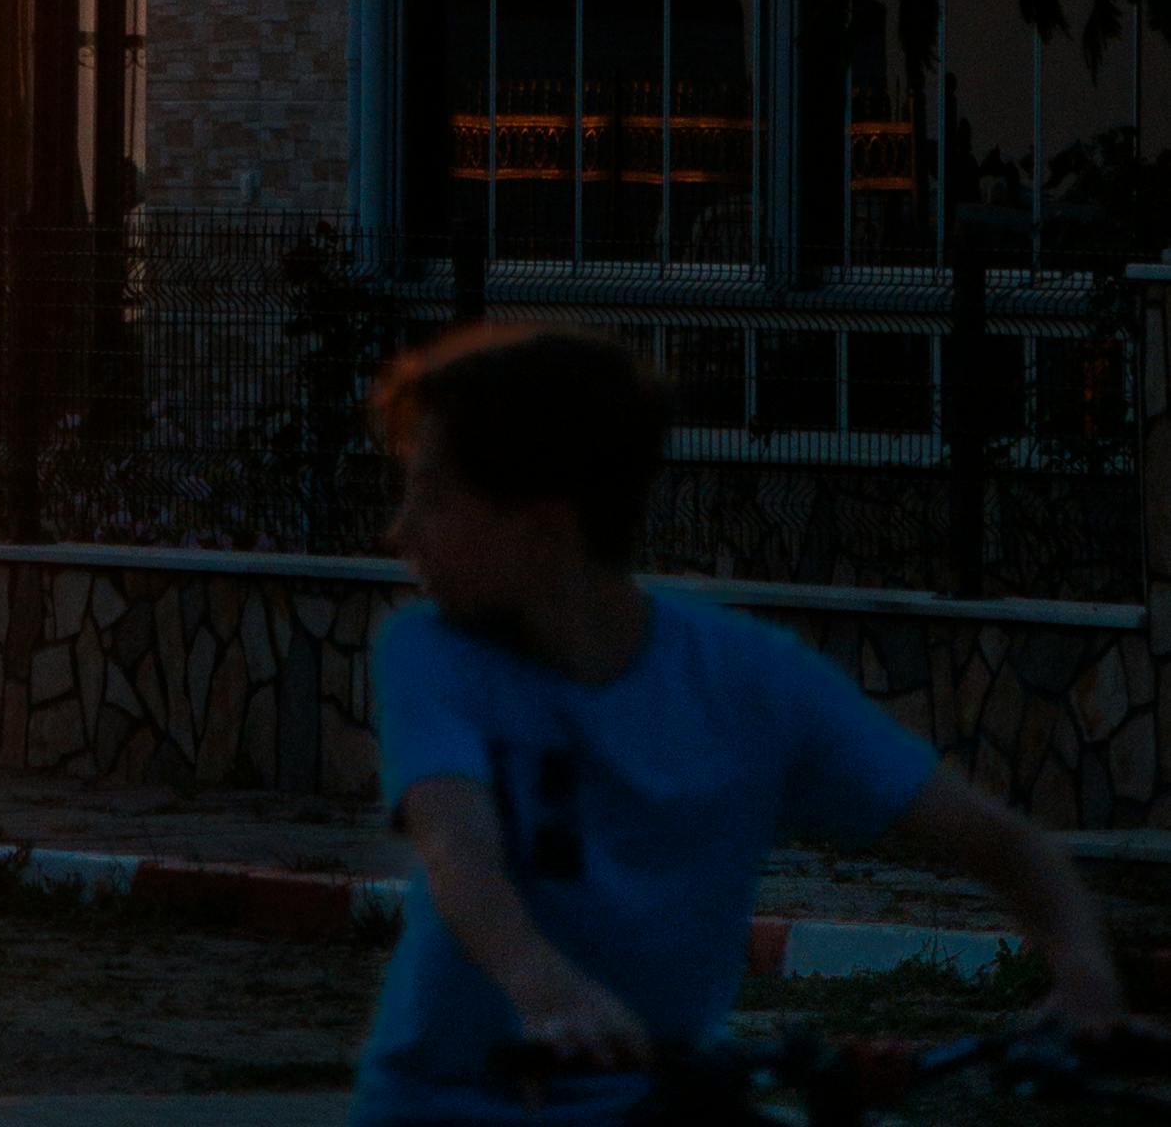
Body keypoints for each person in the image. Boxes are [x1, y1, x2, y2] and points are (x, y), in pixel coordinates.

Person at [357, 321, 1137, 1126]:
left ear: (545, 529)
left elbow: (995, 839)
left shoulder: (747, 680)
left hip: (653, 1099)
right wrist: (546, 989)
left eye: (432, 495)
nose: (400, 529)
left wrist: (1083, 977)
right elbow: (455, 844)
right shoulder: (433, 653)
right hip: (444, 1105)